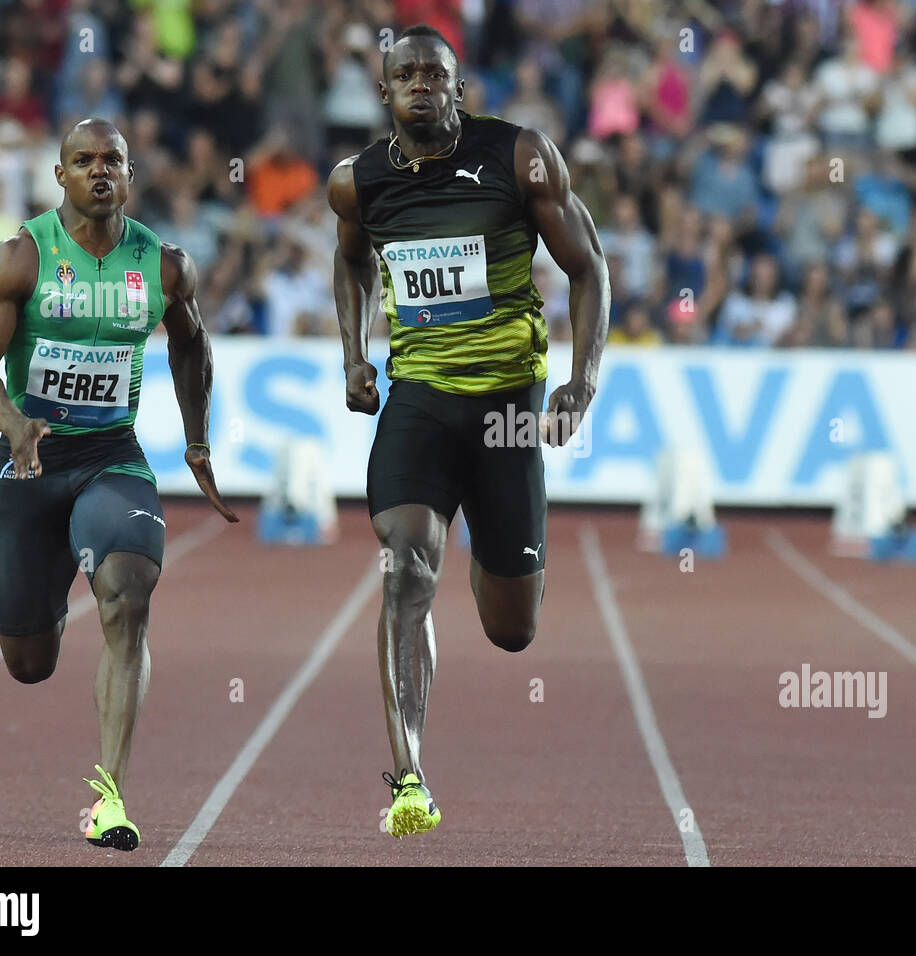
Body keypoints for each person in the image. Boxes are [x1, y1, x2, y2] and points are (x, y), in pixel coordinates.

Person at [327, 25, 609, 837]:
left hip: (506, 408)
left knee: (511, 629)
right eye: (404, 73)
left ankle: (496, 548)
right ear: (384, 93)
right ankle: (409, 777)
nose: (421, 84)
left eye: (435, 73)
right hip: (417, 399)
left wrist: (579, 381)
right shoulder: (358, 182)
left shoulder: (520, 158)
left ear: (459, 87)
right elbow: (348, 260)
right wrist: (354, 355)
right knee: (406, 563)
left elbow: (588, 267)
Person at [0, 118, 239, 851]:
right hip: (31, 465)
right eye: (82, 161)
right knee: (27, 664)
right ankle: (46, 594)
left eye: (111, 158)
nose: (98, 171)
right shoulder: (21, 257)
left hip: (113, 457)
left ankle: (109, 796)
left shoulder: (164, 264)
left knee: (127, 596)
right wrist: (14, 423)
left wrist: (197, 440)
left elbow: (192, 347)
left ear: (130, 172)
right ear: (60, 177)